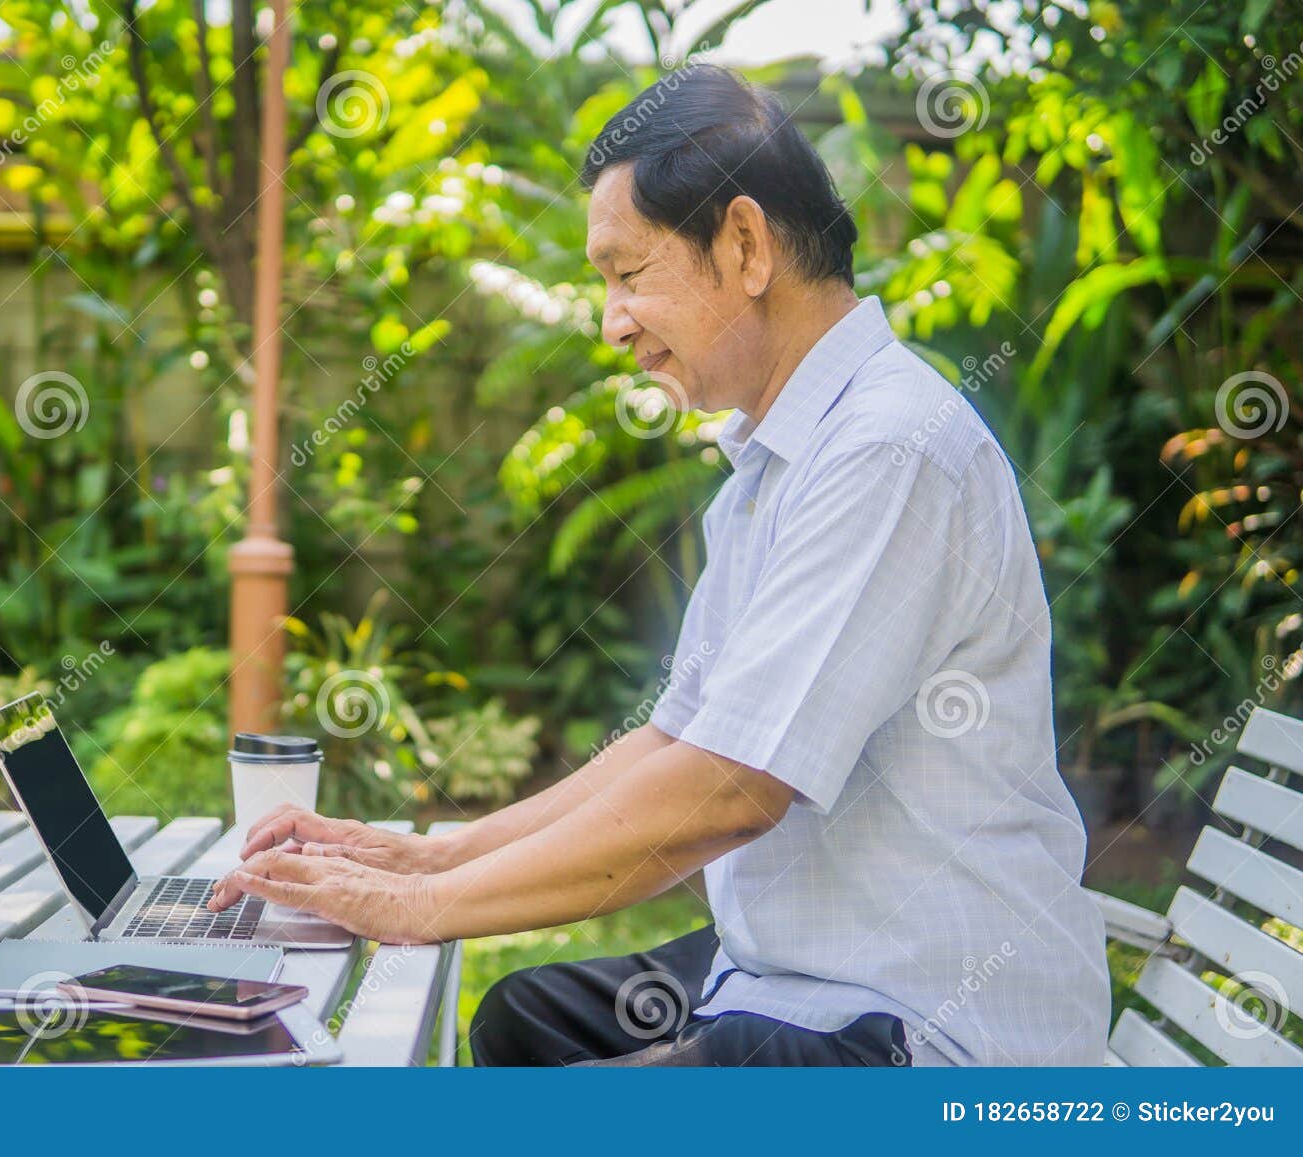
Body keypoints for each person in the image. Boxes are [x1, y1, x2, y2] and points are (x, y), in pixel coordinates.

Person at [210, 63, 1110, 1067]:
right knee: (524, 1018)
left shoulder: (886, 449)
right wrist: (438, 853)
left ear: (743, 245)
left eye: (629, 275)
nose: (612, 321)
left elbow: (730, 786)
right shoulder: (775, 467)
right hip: (799, 980)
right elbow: (680, 736)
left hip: (928, 1023)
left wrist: (419, 905)